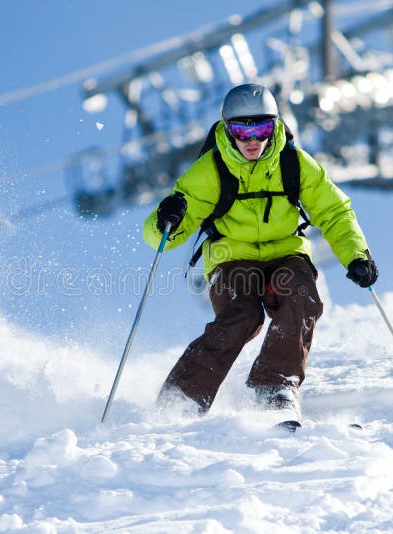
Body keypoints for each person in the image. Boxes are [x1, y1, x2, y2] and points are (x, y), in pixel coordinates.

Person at [142, 83, 378, 417]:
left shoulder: (294, 163)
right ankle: (181, 399)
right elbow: (160, 237)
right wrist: (167, 218)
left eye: (263, 129)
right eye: (242, 131)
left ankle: (273, 388)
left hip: (286, 254)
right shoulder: (211, 170)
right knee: (242, 315)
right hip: (231, 257)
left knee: (301, 296)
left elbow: (334, 211)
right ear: (228, 129)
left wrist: (356, 255)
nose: (252, 140)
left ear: (275, 125)